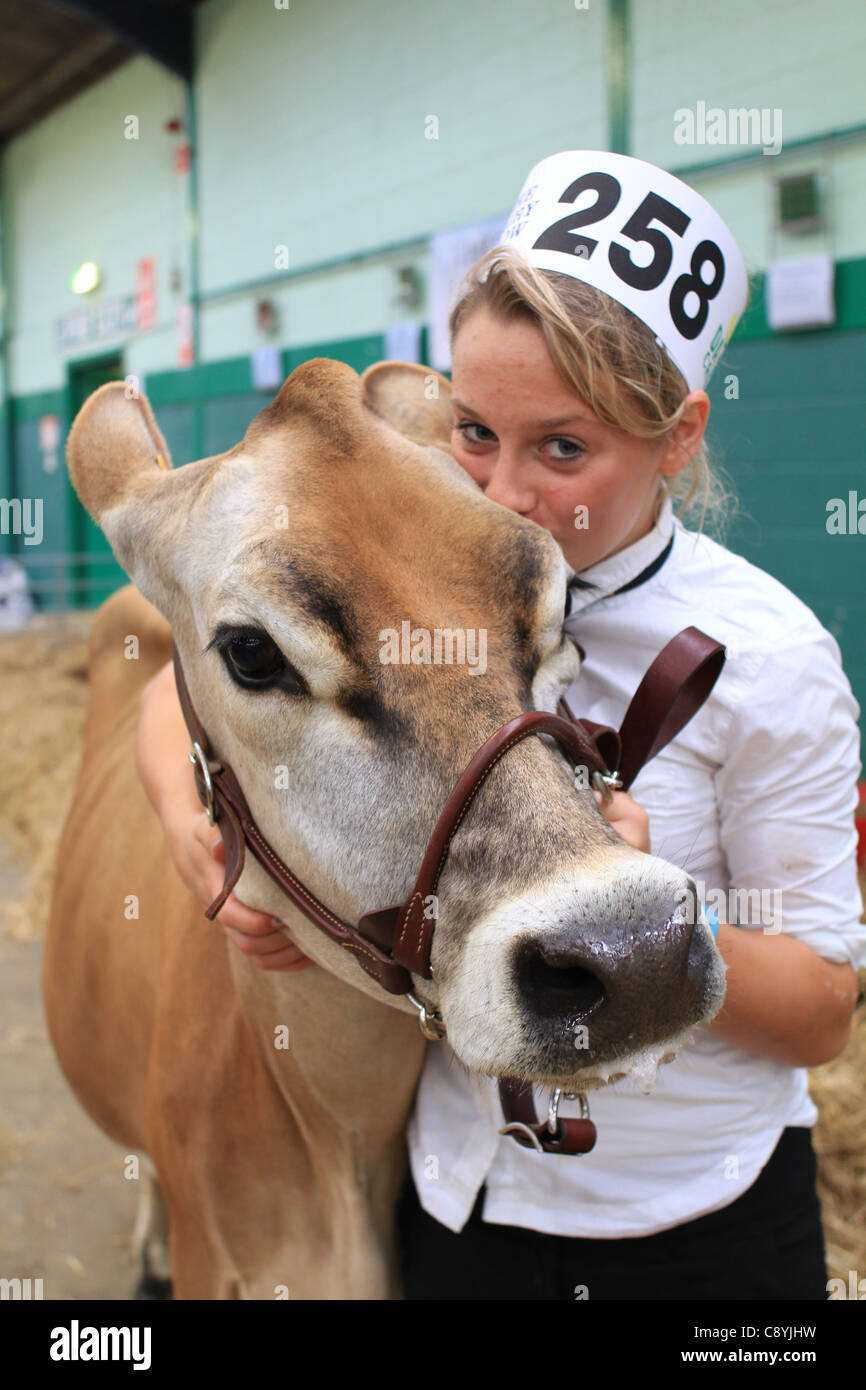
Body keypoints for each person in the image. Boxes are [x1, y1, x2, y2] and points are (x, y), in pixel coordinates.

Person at [135, 151, 864, 1301]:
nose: (505, 491)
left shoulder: (771, 658)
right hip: (455, 1205)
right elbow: (172, 680)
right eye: (474, 430)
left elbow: (824, 1006)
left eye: (562, 448)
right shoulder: (427, 565)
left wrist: (646, 894)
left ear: (676, 436)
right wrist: (200, 841)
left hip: (687, 1230)